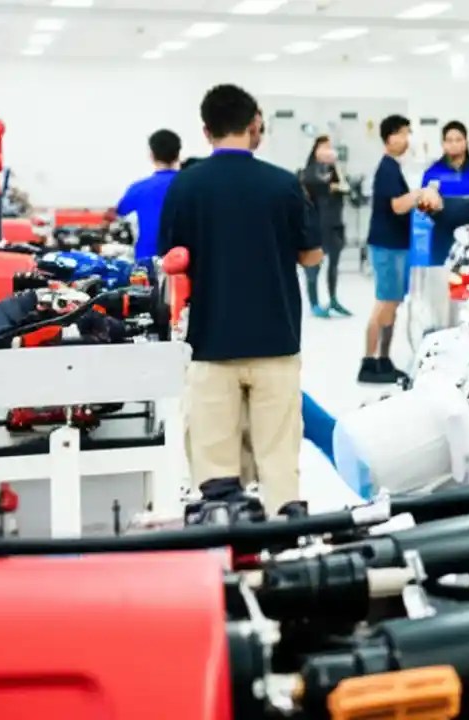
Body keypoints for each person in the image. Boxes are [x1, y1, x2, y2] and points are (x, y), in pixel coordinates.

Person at [159, 83, 323, 518]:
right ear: (254, 125)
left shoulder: (186, 186)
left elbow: (171, 259)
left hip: (212, 344)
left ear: (206, 130)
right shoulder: (283, 184)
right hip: (277, 341)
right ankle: (290, 548)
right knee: (280, 465)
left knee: (216, 473)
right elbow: (312, 255)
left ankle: (227, 559)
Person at [360, 114, 440, 384]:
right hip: (387, 247)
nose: (408, 140)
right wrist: (420, 193)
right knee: (384, 303)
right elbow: (397, 206)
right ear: (390, 137)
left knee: (392, 304)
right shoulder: (387, 169)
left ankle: (384, 359)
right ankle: (369, 362)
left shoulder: (393, 168)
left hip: (396, 245)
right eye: (404, 133)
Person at [420, 120, 469, 265]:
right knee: (441, 282)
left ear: (466, 142)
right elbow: (424, 207)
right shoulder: (432, 172)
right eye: (449, 140)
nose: (454, 144)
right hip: (442, 240)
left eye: (458, 139)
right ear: (443, 144)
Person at [112, 129, 181, 267]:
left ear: (151, 155)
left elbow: (118, 214)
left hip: (147, 261)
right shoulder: (190, 184)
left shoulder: (139, 188)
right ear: (178, 153)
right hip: (183, 260)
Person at [301, 135, 351, 318]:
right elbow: (319, 185)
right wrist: (333, 185)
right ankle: (314, 303)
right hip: (317, 225)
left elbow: (345, 188)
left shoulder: (334, 171)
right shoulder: (310, 172)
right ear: (316, 150)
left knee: (334, 264)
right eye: (324, 147)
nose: (329, 150)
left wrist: (337, 168)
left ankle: (333, 299)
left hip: (335, 224)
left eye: (330, 147)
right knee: (314, 265)